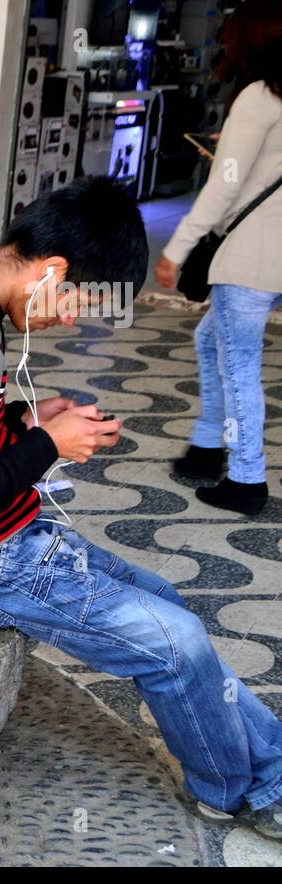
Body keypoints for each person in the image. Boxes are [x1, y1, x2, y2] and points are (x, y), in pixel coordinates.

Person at [0, 176, 282, 841]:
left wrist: (26, 420)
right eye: (78, 302)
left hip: (3, 536)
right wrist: (46, 447)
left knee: (166, 597)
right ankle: (233, 792)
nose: (70, 320)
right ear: (52, 268)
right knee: (177, 642)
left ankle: (274, 767)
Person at [156, 0, 282, 515]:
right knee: (212, 340)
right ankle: (206, 447)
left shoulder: (258, 97)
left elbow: (223, 189)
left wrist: (177, 248)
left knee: (238, 364)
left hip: (249, 258)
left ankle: (247, 478)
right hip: (273, 259)